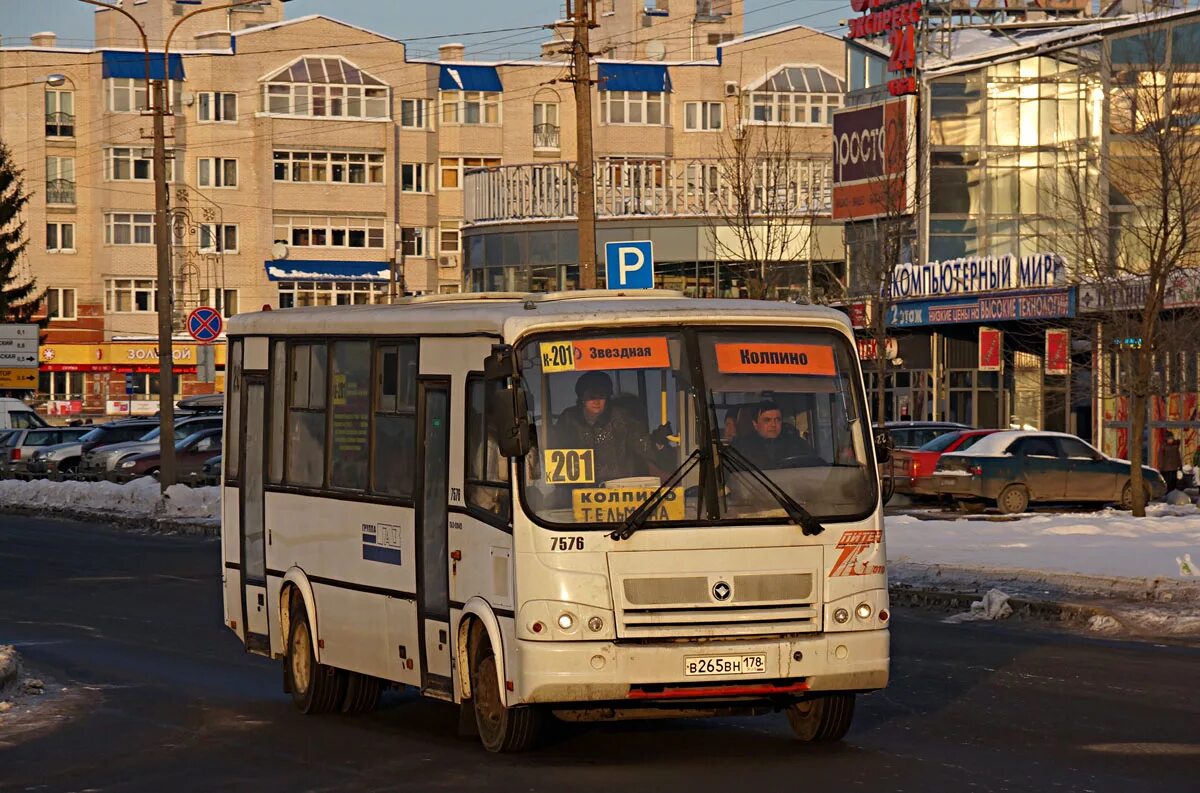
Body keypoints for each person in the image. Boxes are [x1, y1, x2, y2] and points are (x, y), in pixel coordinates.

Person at [553, 371, 668, 483]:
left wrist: (659, 475)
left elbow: (643, 450)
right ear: (582, 397)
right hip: (576, 490)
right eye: (592, 396)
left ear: (607, 397)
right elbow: (554, 451)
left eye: (601, 396)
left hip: (619, 489)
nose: (596, 401)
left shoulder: (623, 418)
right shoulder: (569, 419)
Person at [733, 400, 813, 469]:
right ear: (755, 424)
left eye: (777, 420)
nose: (773, 424)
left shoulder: (798, 445)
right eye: (767, 420)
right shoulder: (740, 448)